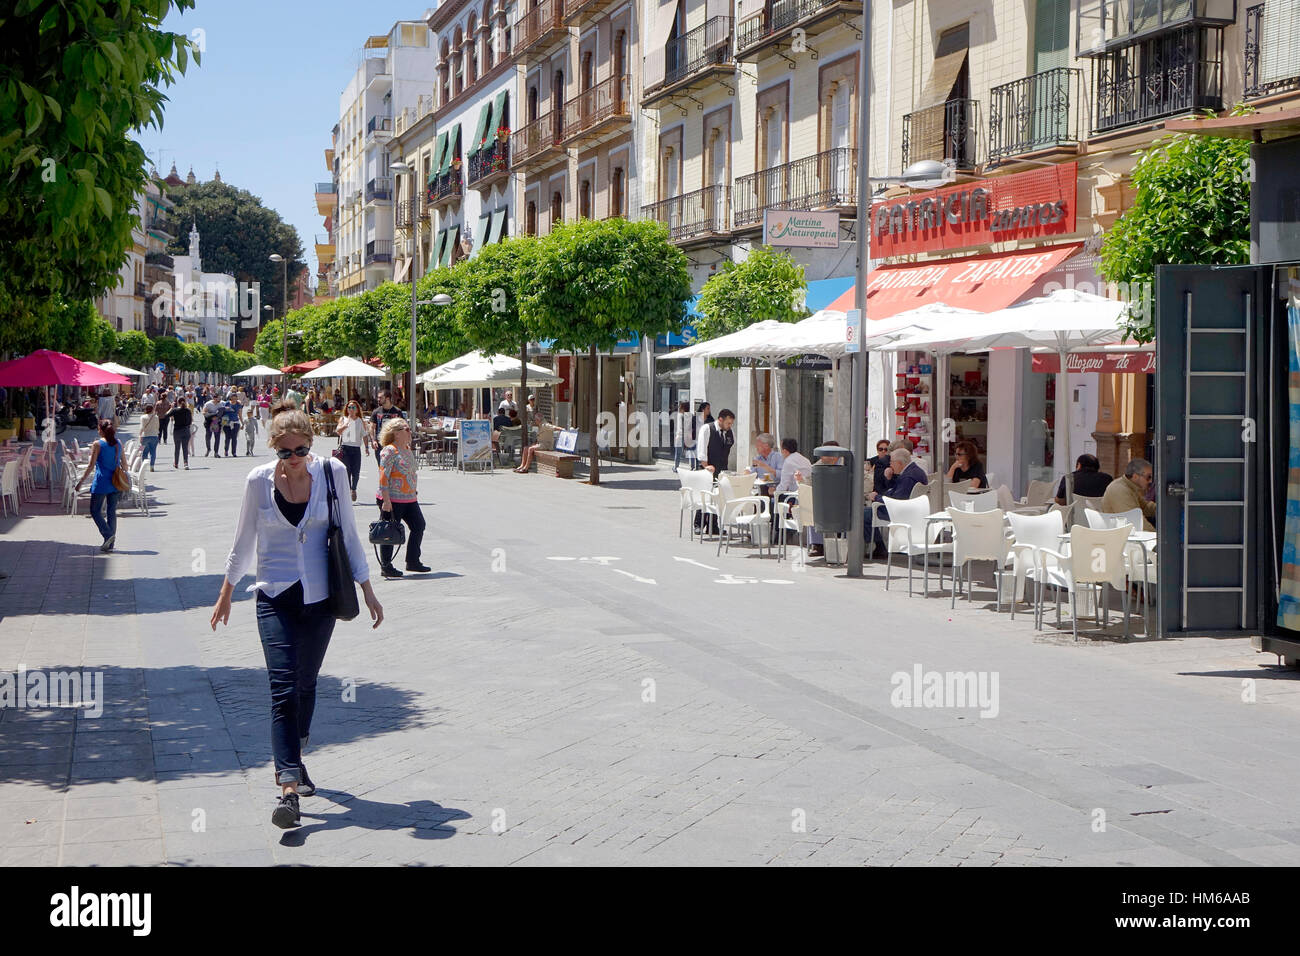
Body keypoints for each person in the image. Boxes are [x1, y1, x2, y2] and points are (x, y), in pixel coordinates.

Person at [210, 400, 383, 829]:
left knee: (306, 684)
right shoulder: (258, 481)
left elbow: (350, 536)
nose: (293, 460)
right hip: (274, 595)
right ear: (273, 450)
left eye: (300, 450)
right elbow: (243, 540)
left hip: (322, 597)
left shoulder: (332, 473)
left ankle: (296, 752)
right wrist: (226, 591)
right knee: (283, 686)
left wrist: (368, 587)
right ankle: (288, 787)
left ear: (312, 444)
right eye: (284, 453)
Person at [375, 417, 429, 578]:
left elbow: (411, 472)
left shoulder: (406, 448)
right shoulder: (389, 450)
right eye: (406, 429)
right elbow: (383, 475)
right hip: (391, 498)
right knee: (389, 531)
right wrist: (385, 500)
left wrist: (414, 489)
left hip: (409, 498)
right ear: (396, 433)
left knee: (419, 525)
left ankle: (413, 561)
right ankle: (386, 566)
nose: (409, 432)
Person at [867, 447, 930, 555]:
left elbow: (897, 499)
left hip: (901, 512)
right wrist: (889, 479)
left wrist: (876, 498)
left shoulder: (908, 477)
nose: (890, 464)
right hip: (913, 510)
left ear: (900, 463)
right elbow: (897, 491)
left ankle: (879, 547)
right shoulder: (915, 471)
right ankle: (878, 547)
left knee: (863, 515)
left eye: (891, 462)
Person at [75, 419, 123, 553]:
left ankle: (108, 535)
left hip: (101, 482)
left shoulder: (97, 444)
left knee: (95, 511)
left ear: (101, 430)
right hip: (116, 482)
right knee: (111, 511)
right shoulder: (118, 443)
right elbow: (124, 464)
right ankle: (110, 544)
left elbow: (91, 466)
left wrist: (81, 481)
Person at [1101, 457, 1156, 531]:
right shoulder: (1120, 490)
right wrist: (1158, 538)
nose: (1150, 481)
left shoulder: (1129, 487)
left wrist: (1167, 509)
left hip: (1127, 533)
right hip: (1120, 536)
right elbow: (1135, 521)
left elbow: (1145, 507)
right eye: (1148, 477)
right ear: (1135, 476)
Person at [334, 400, 368, 501]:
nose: (351, 409)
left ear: (357, 409)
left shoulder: (360, 421)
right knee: (346, 470)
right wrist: (345, 425)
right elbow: (338, 432)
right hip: (345, 448)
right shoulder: (343, 419)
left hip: (356, 449)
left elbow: (364, 435)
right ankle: (348, 490)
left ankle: (354, 489)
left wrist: (366, 447)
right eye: (349, 407)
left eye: (353, 407)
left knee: (356, 471)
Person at [370, 390, 406, 468]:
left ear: (387, 398)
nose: (378, 399)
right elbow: (372, 427)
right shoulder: (376, 412)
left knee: (394, 467)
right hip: (380, 444)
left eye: (380, 398)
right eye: (378, 398)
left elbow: (403, 427)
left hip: (394, 444)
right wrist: (373, 440)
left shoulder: (397, 412)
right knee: (381, 467)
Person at [699, 408, 735, 475]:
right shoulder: (707, 429)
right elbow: (702, 452)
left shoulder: (730, 432)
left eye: (731, 424)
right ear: (720, 420)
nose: (730, 426)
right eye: (728, 423)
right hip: (708, 471)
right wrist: (706, 467)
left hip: (723, 472)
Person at [162, 397, 193, 469]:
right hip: (186, 430)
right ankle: (185, 463)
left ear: (178, 402)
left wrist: (171, 408)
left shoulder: (175, 410)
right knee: (185, 448)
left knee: (177, 448)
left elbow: (165, 415)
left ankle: (176, 463)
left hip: (177, 430)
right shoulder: (188, 410)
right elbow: (190, 421)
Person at [139, 403, 160, 470]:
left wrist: (140, 435)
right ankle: (152, 466)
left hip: (145, 435)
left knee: (144, 452)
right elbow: (158, 426)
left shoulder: (142, 417)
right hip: (154, 435)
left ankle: (144, 466)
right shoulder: (156, 417)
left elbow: (141, 427)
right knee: (153, 451)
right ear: (152, 409)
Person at [672, 401, 692, 472]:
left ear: (683, 408)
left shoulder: (680, 415)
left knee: (678, 453)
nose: (679, 408)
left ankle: (676, 467)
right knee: (691, 452)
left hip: (680, 436)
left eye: (680, 406)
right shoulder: (690, 415)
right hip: (688, 436)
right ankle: (692, 467)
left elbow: (680, 427)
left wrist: (678, 435)